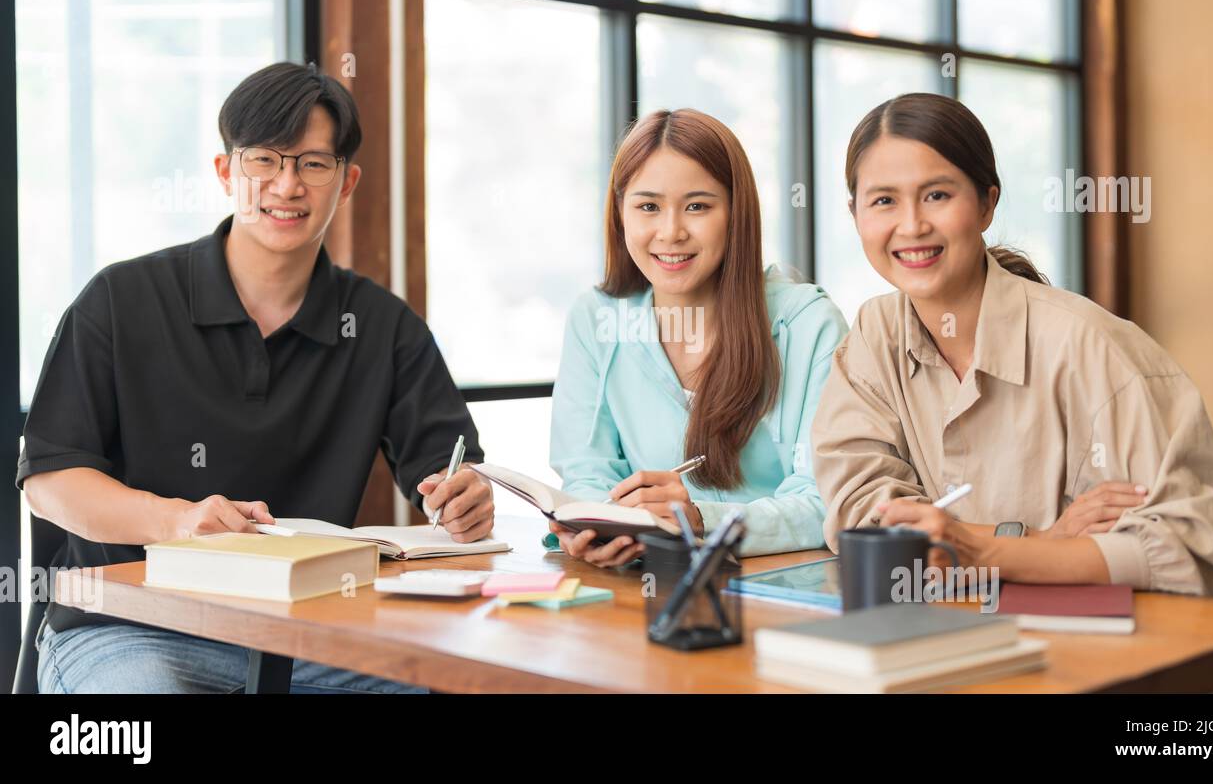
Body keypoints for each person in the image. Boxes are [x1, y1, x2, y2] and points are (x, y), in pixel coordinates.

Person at [18, 62, 494, 693]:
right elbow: (51, 481)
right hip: (127, 628)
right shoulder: (121, 300)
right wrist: (177, 520)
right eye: (264, 160)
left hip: (310, 637)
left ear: (346, 182)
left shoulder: (382, 326)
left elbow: (454, 476)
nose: (287, 185)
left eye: (313, 164)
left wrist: (465, 499)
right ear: (227, 173)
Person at [812, 92, 1213, 598]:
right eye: (884, 200)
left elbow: (1191, 551)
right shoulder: (874, 334)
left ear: (987, 204)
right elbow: (862, 514)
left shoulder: (1090, 345)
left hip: (1141, 651)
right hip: (965, 630)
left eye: (937, 196)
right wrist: (1038, 540)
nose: (911, 226)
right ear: (855, 213)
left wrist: (987, 551)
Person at [548, 109, 848, 567]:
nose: (671, 233)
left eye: (697, 206)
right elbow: (586, 471)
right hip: (638, 582)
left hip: (781, 585)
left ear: (736, 214)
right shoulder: (597, 318)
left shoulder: (808, 324)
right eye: (648, 207)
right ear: (620, 214)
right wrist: (595, 522)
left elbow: (827, 500)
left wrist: (700, 519)